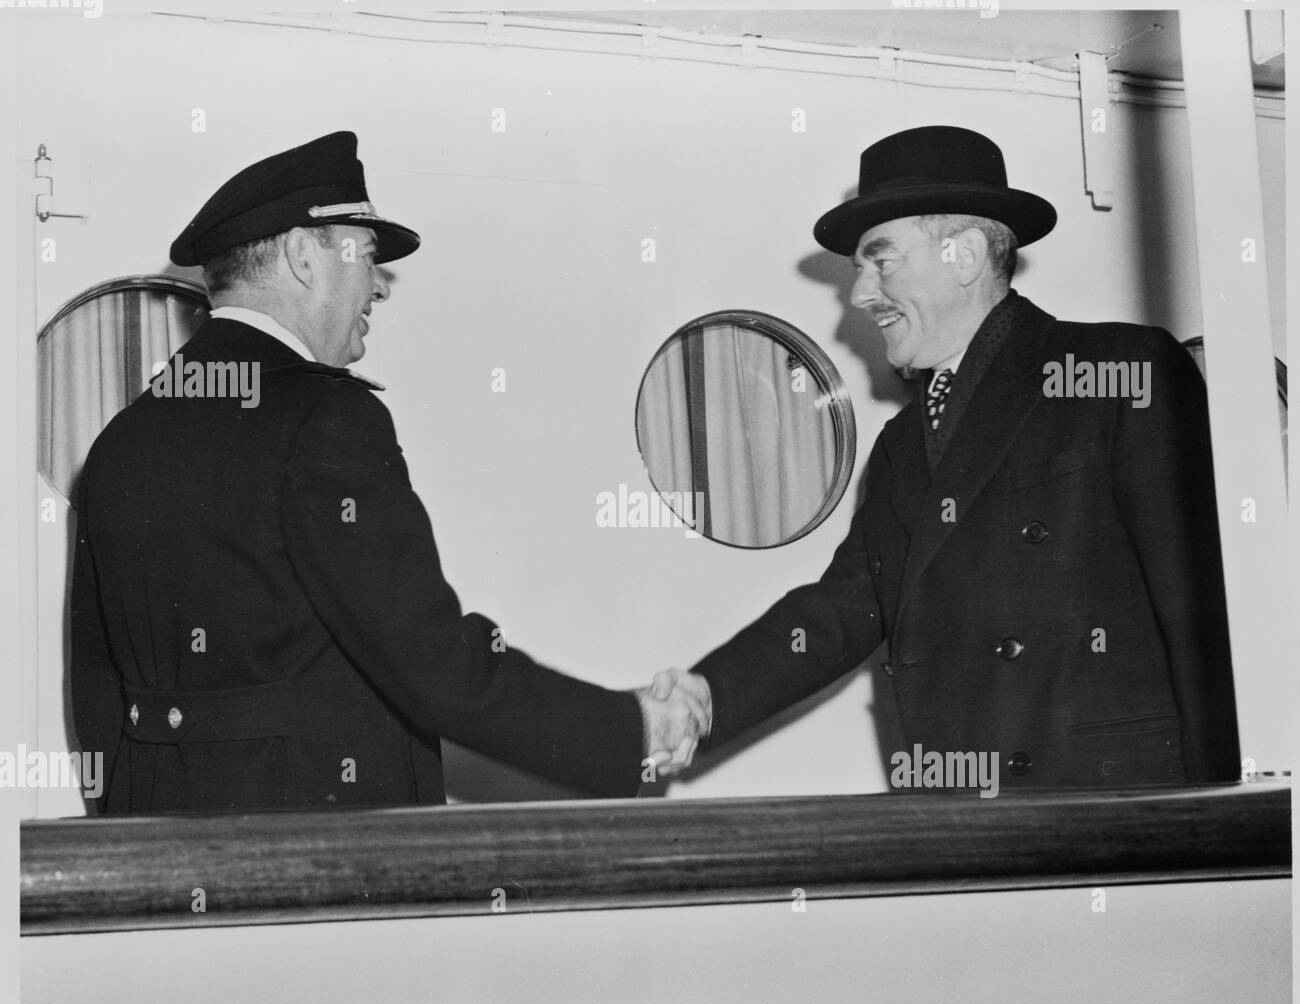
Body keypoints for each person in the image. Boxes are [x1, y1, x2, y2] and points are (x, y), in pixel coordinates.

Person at [70, 131, 702, 813]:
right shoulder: (324, 418)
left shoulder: (119, 443)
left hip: (153, 855)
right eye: (367, 257)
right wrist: (629, 729)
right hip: (318, 866)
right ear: (304, 257)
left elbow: (97, 697)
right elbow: (435, 667)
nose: (378, 287)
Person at [648, 125, 1240, 789]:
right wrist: (706, 697)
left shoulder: (1120, 372)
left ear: (963, 254)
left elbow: (1202, 617)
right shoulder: (902, 445)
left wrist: (1230, 815)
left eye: (881, 260)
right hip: (965, 819)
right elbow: (842, 610)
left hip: (1115, 816)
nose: (861, 294)